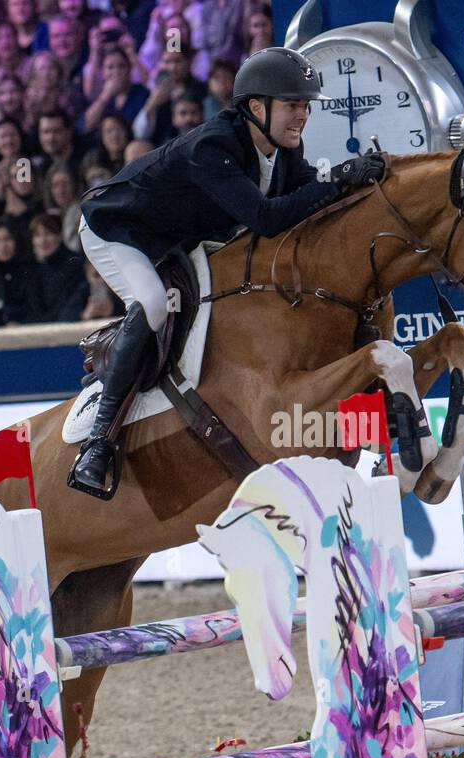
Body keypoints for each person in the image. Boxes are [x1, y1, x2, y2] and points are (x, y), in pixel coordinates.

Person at [72, 46, 383, 498]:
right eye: (294, 104)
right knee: (155, 305)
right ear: (257, 107)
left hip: (176, 238)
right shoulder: (212, 146)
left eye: (305, 106)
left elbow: (304, 204)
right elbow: (268, 218)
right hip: (116, 229)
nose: (303, 115)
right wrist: (336, 180)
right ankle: (98, 442)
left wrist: (349, 181)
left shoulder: (284, 150)